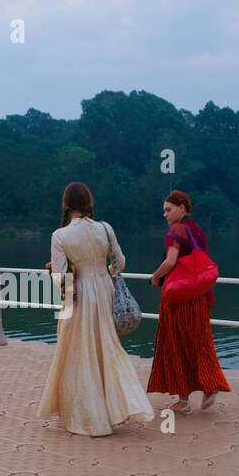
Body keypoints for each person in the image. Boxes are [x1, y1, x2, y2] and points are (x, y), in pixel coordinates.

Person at [37, 182, 152, 436]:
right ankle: (117, 408)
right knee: (106, 349)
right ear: (89, 202)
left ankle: (88, 414)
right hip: (104, 290)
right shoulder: (105, 228)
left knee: (80, 352)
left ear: (66, 205)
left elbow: (59, 277)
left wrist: (75, 276)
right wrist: (103, 274)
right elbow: (120, 262)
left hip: (78, 296)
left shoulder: (60, 235)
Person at [147, 190, 230, 414]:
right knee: (199, 342)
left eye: (169, 209)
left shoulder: (177, 230)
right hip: (198, 297)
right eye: (164, 210)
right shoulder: (196, 231)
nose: (165, 214)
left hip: (178, 298)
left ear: (182, 208)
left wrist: (155, 277)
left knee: (175, 345)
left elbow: (170, 261)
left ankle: (183, 401)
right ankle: (210, 385)